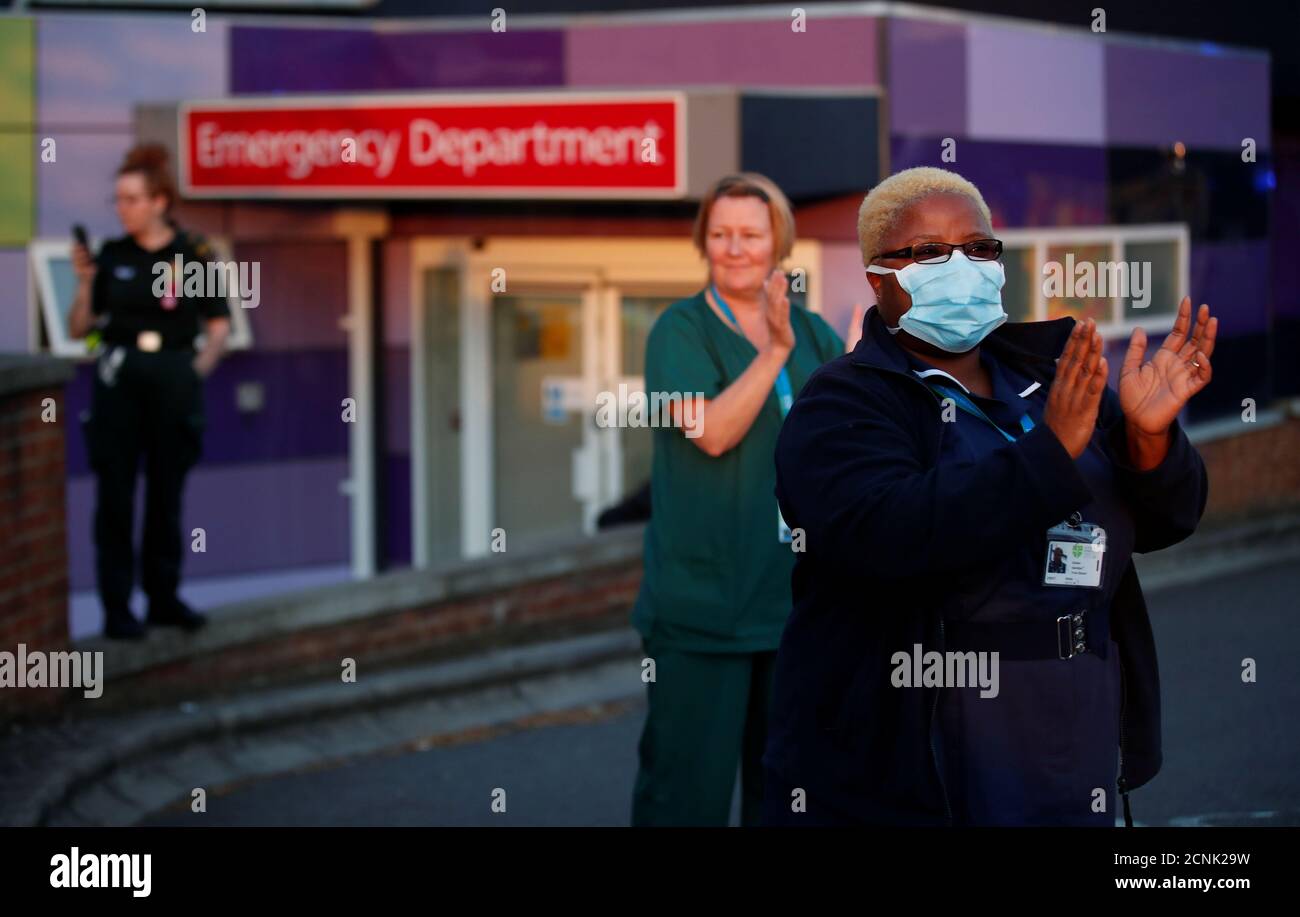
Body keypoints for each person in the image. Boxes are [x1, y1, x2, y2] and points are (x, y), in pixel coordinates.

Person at [762, 166, 1214, 826]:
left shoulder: (1048, 376)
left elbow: (1169, 516)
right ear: (878, 277)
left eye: (978, 247)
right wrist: (1048, 452)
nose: (961, 265)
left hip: (1074, 715)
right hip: (932, 739)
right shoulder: (840, 403)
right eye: (928, 251)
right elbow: (893, 532)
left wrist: (1149, 440)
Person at [629, 173, 852, 826]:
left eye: (749, 234)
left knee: (784, 796)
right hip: (703, 613)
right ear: (703, 240)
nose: (733, 248)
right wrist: (773, 352)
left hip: (794, 608)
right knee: (684, 798)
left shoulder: (815, 336)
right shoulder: (680, 330)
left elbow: (845, 447)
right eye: (719, 233)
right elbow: (715, 433)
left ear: (777, 240)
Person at [68, 143, 231, 640]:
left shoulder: (192, 254)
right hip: (119, 388)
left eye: (133, 198)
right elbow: (81, 329)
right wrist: (83, 283)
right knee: (115, 500)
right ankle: (118, 608)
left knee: (167, 497)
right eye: (118, 199)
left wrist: (191, 374)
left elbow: (218, 327)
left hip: (173, 384)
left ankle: (164, 598)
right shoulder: (111, 258)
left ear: (160, 201)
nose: (123, 208)